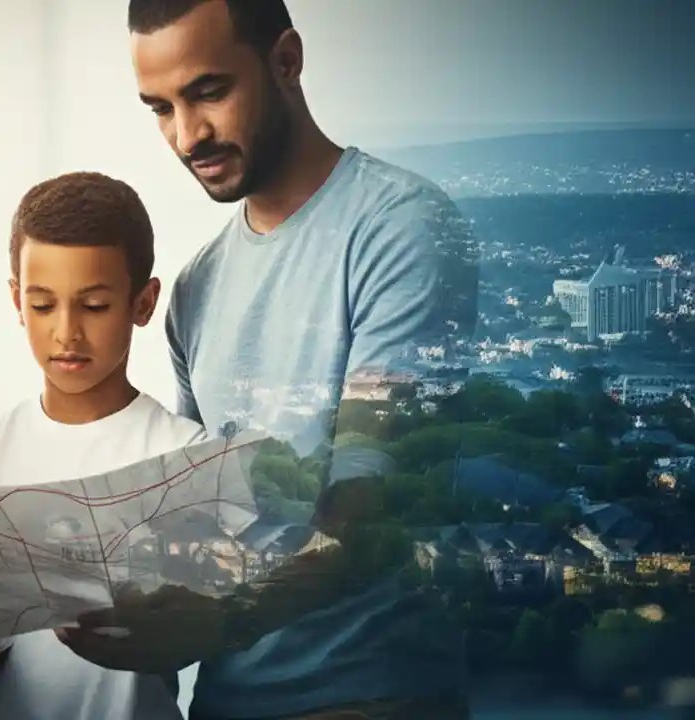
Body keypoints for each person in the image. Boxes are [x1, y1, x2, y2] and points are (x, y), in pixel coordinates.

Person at [56, 1, 480, 719]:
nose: (187, 135)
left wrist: (216, 620)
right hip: (225, 701)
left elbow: (371, 500)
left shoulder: (402, 228)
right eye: (160, 107)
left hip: (371, 694)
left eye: (209, 92)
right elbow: (206, 512)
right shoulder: (196, 288)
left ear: (286, 62)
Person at [0, 171, 206, 720]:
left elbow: (194, 627)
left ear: (143, 303)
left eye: (93, 306)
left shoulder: (182, 455)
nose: (66, 332)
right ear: (16, 300)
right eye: (43, 305)